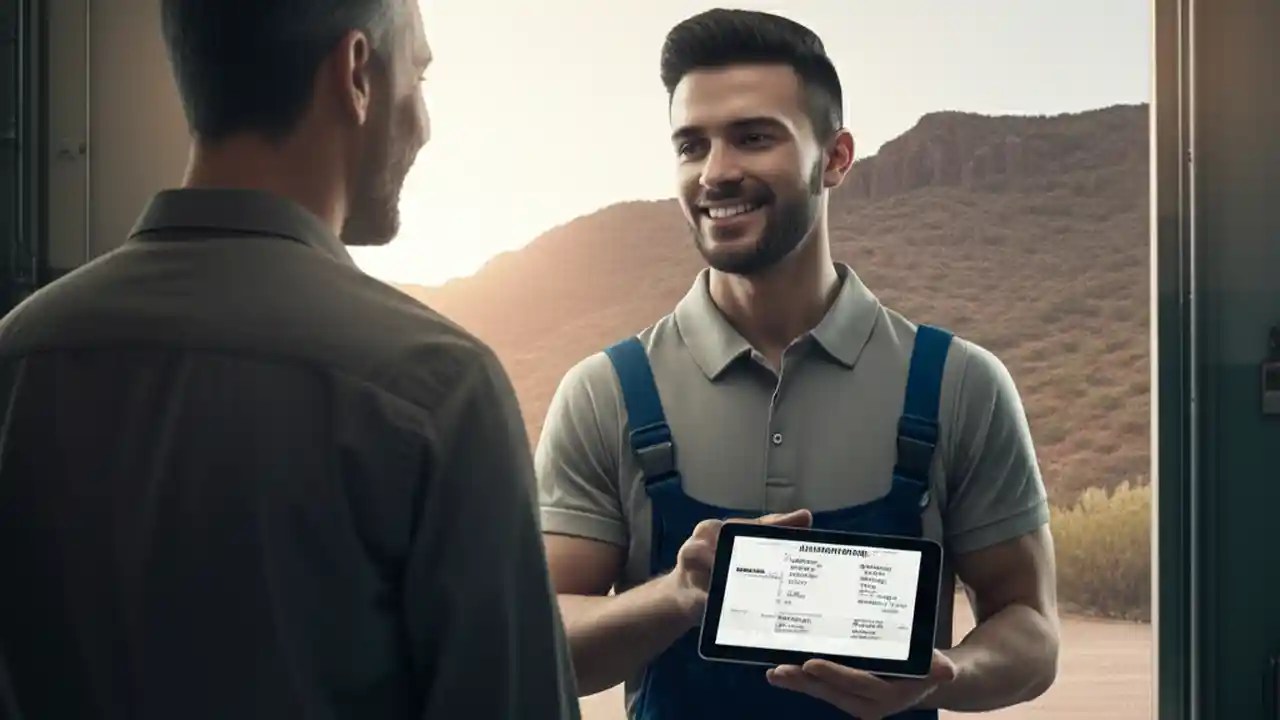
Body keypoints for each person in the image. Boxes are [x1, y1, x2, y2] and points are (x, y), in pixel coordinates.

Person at [0, 1, 579, 718]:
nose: (425, 125)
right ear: (358, 73)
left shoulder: (19, 355)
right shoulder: (439, 386)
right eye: (420, 77)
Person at [535, 8, 1059, 720]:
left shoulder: (959, 385)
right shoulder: (606, 395)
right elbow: (539, 642)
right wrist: (677, 595)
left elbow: (1029, 626)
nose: (716, 173)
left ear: (835, 158)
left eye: (753, 138)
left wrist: (946, 674)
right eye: (692, 146)